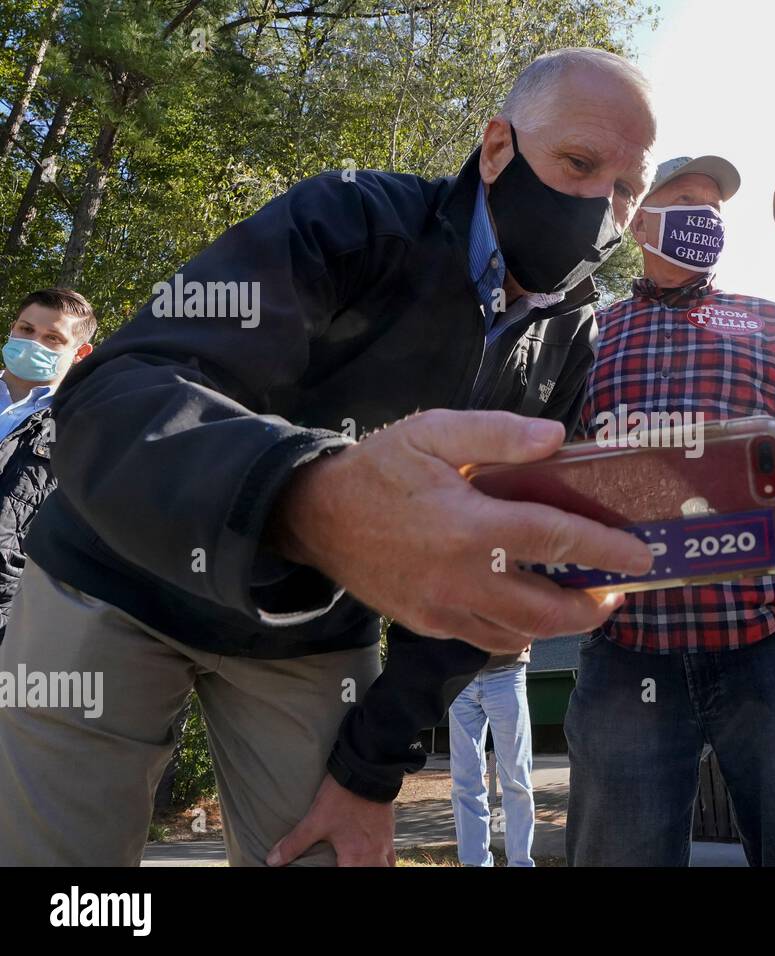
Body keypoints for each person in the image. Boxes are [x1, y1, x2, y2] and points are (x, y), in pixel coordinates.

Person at [0, 47, 657, 867]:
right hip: (111, 577)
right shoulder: (352, 220)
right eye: (580, 164)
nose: (605, 205)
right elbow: (116, 393)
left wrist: (371, 771)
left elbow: (483, 584)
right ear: (497, 148)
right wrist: (307, 498)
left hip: (306, 637)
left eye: (629, 189)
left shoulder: (573, 345)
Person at [564, 154, 775, 867]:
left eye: (717, 207)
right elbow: (545, 471)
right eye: (689, 198)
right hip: (628, 643)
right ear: (639, 219)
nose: (708, 215)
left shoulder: (773, 325)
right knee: (615, 855)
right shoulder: (585, 338)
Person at [0, 288, 95, 639]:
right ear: (13, 328)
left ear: (80, 353)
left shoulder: (82, 429)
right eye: (26, 330)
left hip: (9, 617)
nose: (34, 343)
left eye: (53, 338)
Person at [448, 643, 534, 867]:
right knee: (464, 782)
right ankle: (475, 863)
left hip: (507, 671)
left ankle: (521, 864)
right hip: (459, 672)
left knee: (517, 780)